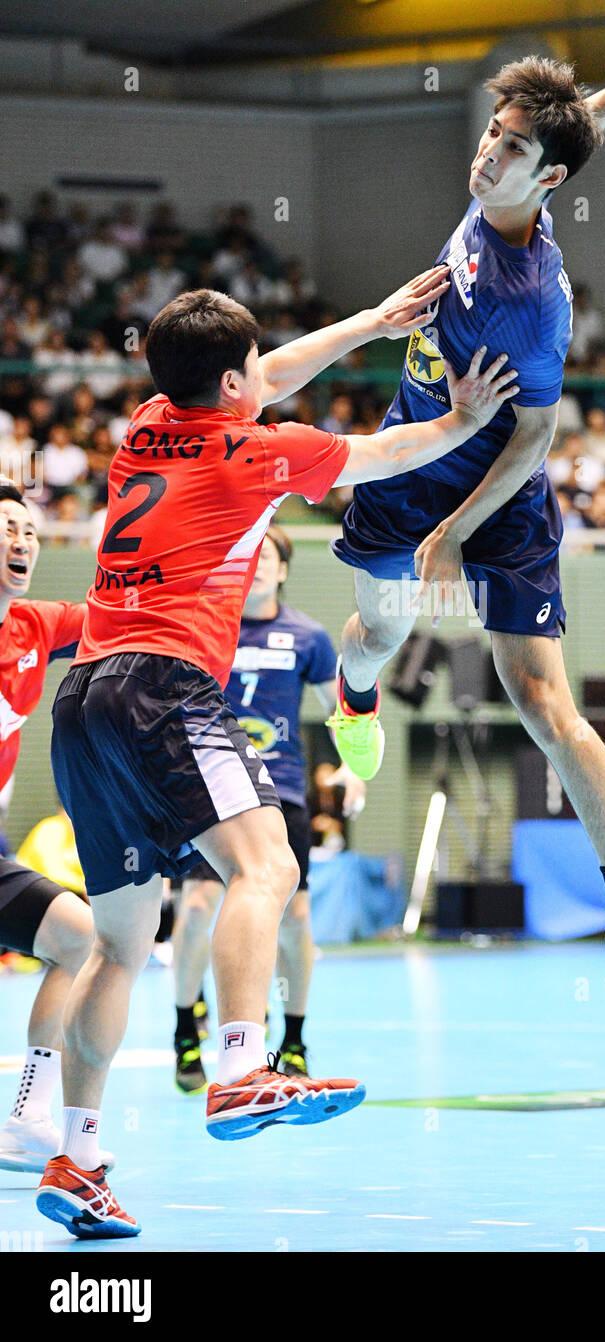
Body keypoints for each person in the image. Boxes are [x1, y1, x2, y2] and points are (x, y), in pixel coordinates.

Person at [36, 278, 518, 1239]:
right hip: (165, 684)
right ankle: (242, 1067)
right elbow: (384, 456)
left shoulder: (146, 423)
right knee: (269, 865)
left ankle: (76, 1157)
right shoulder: (258, 451)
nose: (268, 374)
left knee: (121, 945)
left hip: (84, 696)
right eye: (254, 366)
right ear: (233, 381)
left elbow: (269, 372)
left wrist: (375, 323)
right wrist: (468, 419)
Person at [330, 51, 605, 1004]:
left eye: (512, 147)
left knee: (539, 701)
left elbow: (534, 441)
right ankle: (354, 704)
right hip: (405, 462)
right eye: (494, 133)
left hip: (492, 492)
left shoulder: (531, 307)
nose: (489, 153)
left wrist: (453, 532)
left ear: (548, 179)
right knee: (383, 633)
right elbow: (575, 126)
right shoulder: (506, 193)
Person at [170, 524, 365, 1094]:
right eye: (247, 555)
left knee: (296, 919)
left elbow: (342, 709)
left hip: (282, 794)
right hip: (212, 788)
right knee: (200, 903)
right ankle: (187, 1026)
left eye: (268, 557)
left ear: (283, 570)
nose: (255, 565)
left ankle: (295, 1039)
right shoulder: (209, 629)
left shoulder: (307, 636)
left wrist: (353, 765)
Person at [0, 486, 114, 1176]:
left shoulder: (36, 627)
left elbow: (114, 615)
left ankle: (27, 1116)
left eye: (31, 530)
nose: (22, 539)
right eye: (8, 526)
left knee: (82, 940)